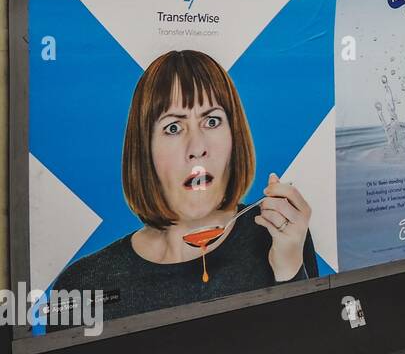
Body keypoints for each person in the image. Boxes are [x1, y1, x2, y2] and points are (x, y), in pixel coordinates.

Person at [49, 50, 315, 323]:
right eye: (173, 128)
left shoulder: (278, 234)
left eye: (211, 121)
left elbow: (309, 347)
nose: (197, 147)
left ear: (234, 137)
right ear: (144, 150)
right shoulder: (83, 286)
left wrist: (289, 270)